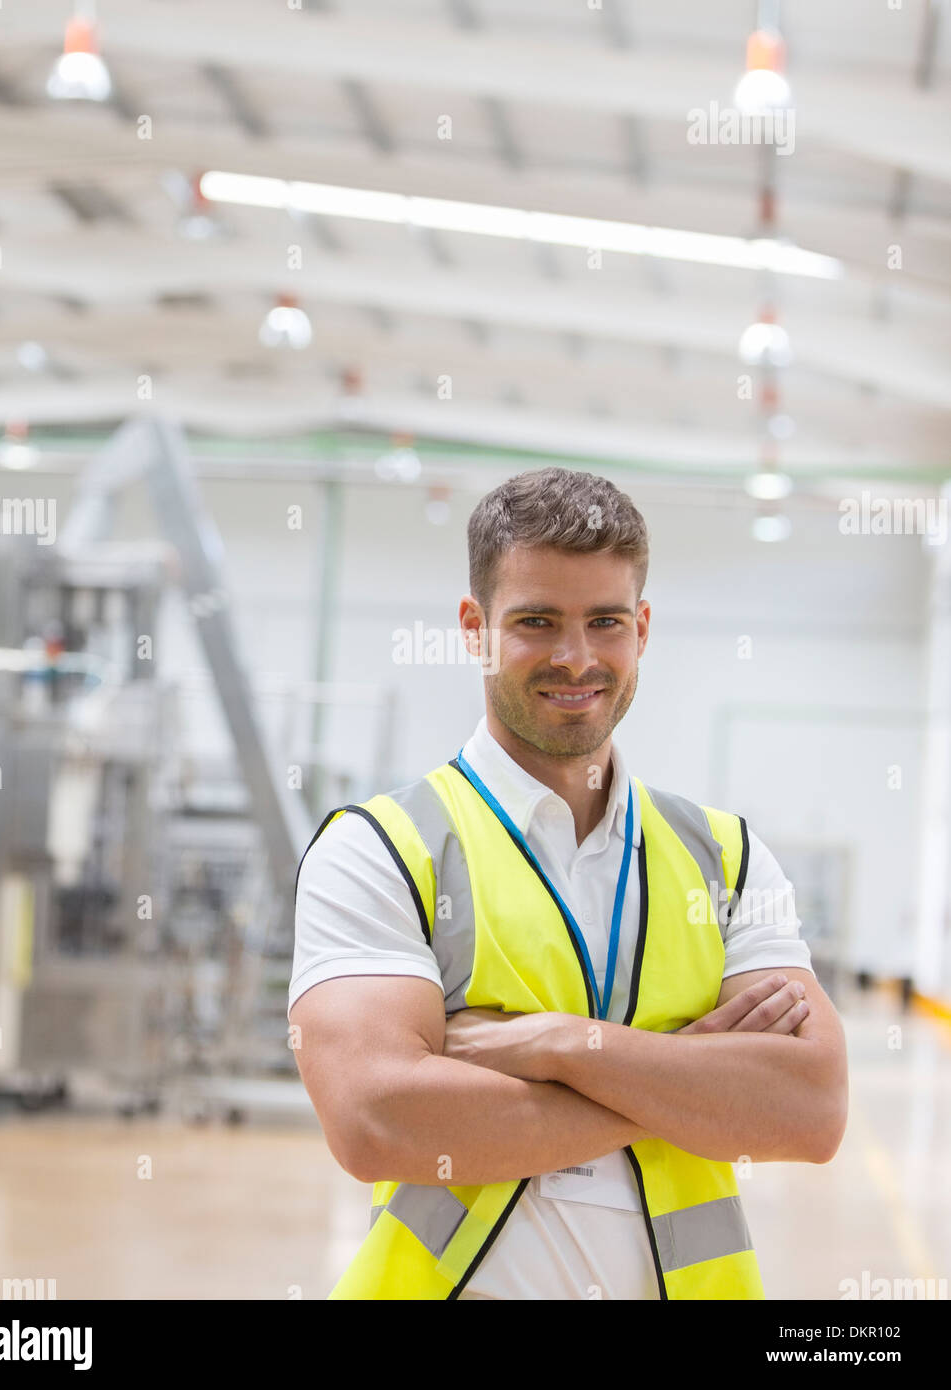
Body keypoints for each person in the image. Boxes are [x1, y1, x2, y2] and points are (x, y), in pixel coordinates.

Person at [288, 466, 848, 1300]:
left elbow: (808, 1111)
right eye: (537, 621)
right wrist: (683, 1080)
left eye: (606, 621)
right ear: (475, 629)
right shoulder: (381, 850)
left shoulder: (723, 858)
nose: (576, 658)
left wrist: (555, 1044)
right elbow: (377, 1120)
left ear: (643, 628)